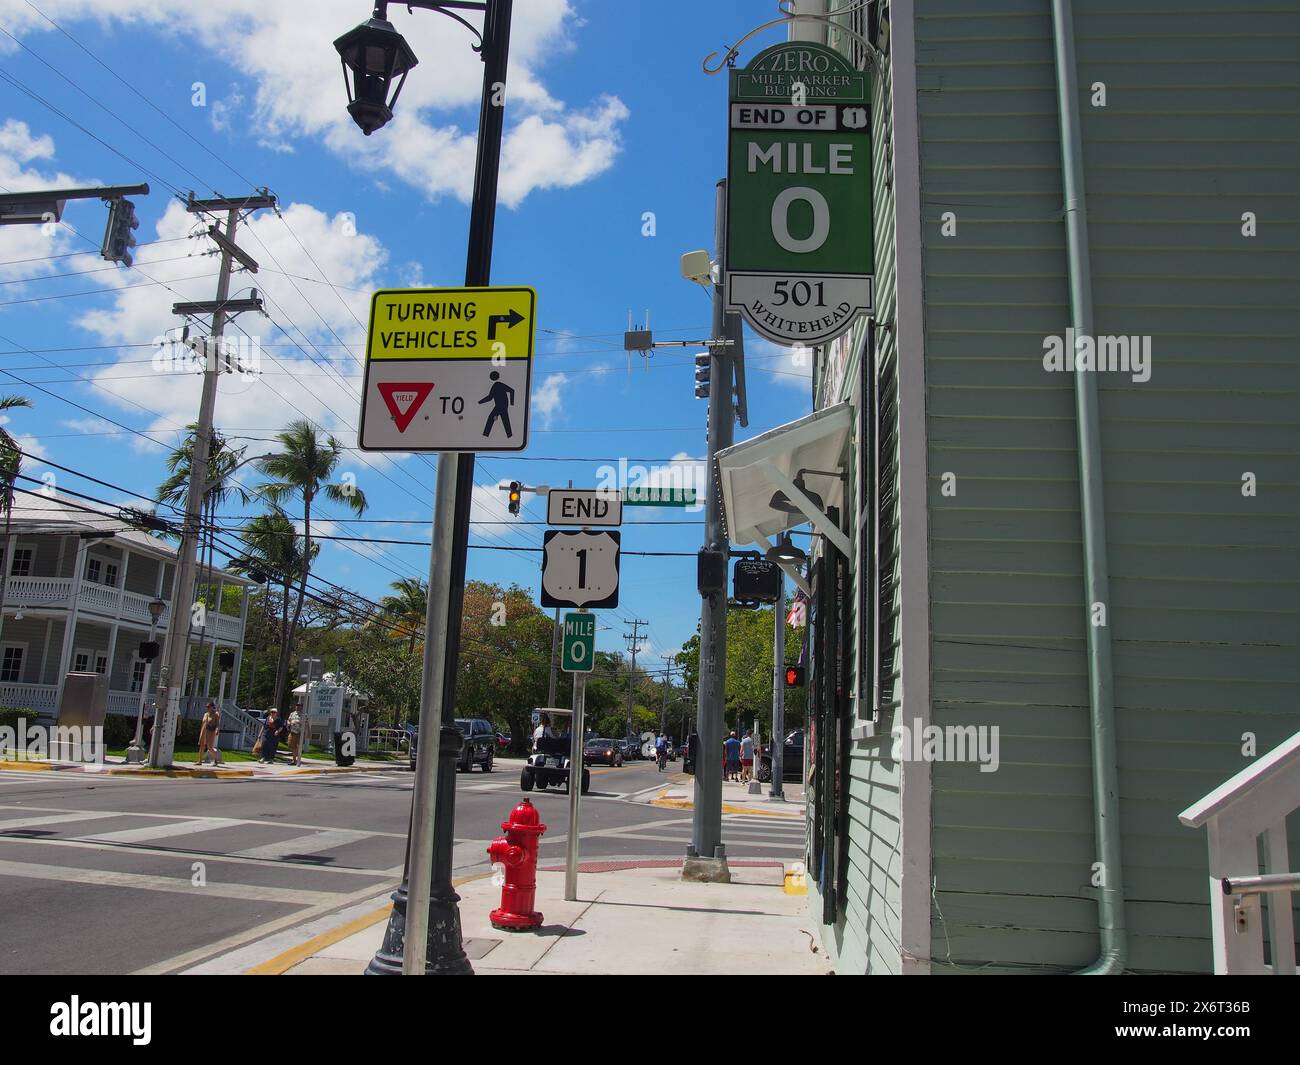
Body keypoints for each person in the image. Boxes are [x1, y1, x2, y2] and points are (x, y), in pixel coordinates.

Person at [196, 701, 221, 767]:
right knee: (202, 745)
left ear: (212, 707)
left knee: (209, 746)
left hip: (210, 731)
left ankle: (215, 759)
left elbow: (218, 724)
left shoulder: (216, 714)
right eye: (207, 707)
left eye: (209, 707)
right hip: (204, 730)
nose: (207, 708)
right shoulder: (205, 714)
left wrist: (217, 730)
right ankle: (199, 761)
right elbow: (203, 723)